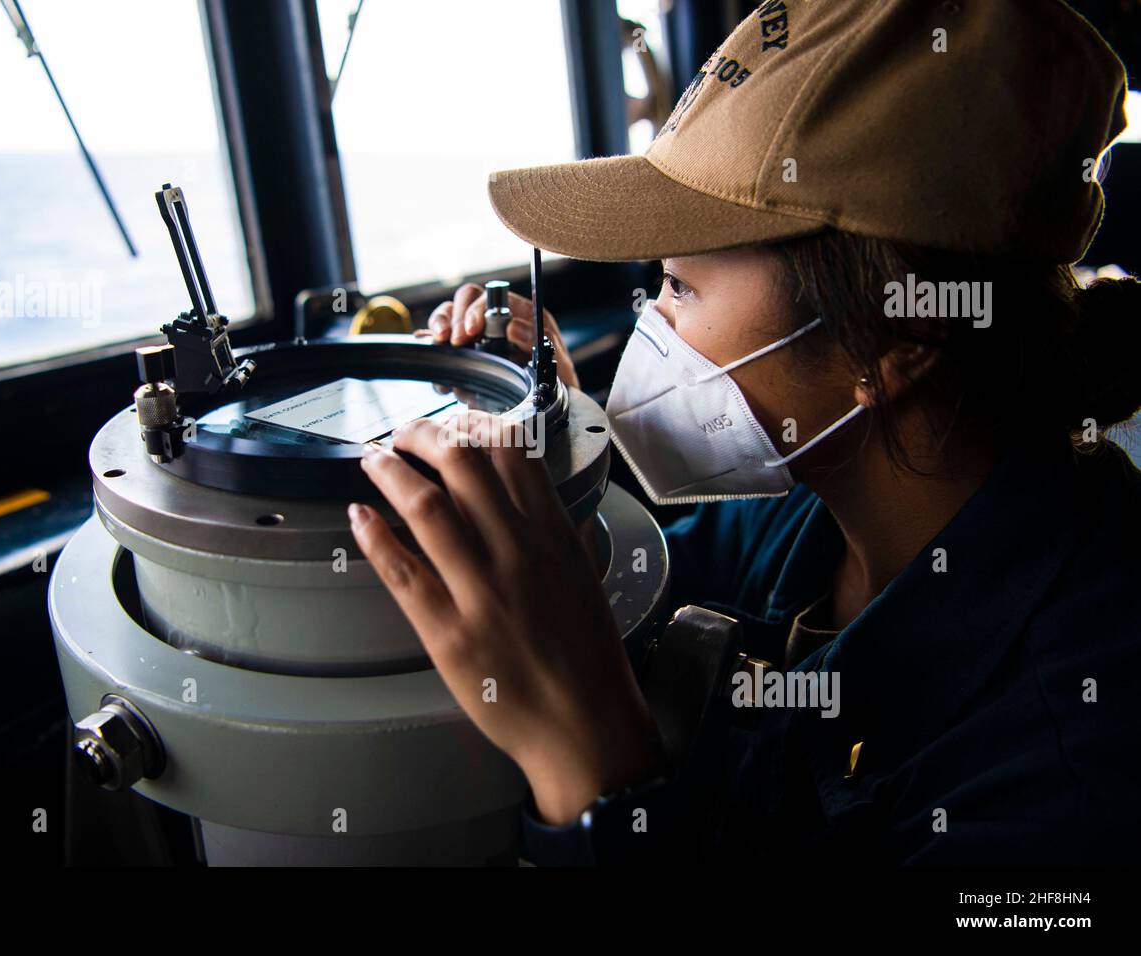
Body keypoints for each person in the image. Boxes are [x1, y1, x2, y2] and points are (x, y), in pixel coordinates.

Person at [347, 0, 1141, 864]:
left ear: (896, 341)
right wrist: (562, 450)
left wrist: (600, 779)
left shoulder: (1081, 758)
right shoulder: (815, 513)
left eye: (680, 288)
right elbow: (637, 578)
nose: (652, 320)